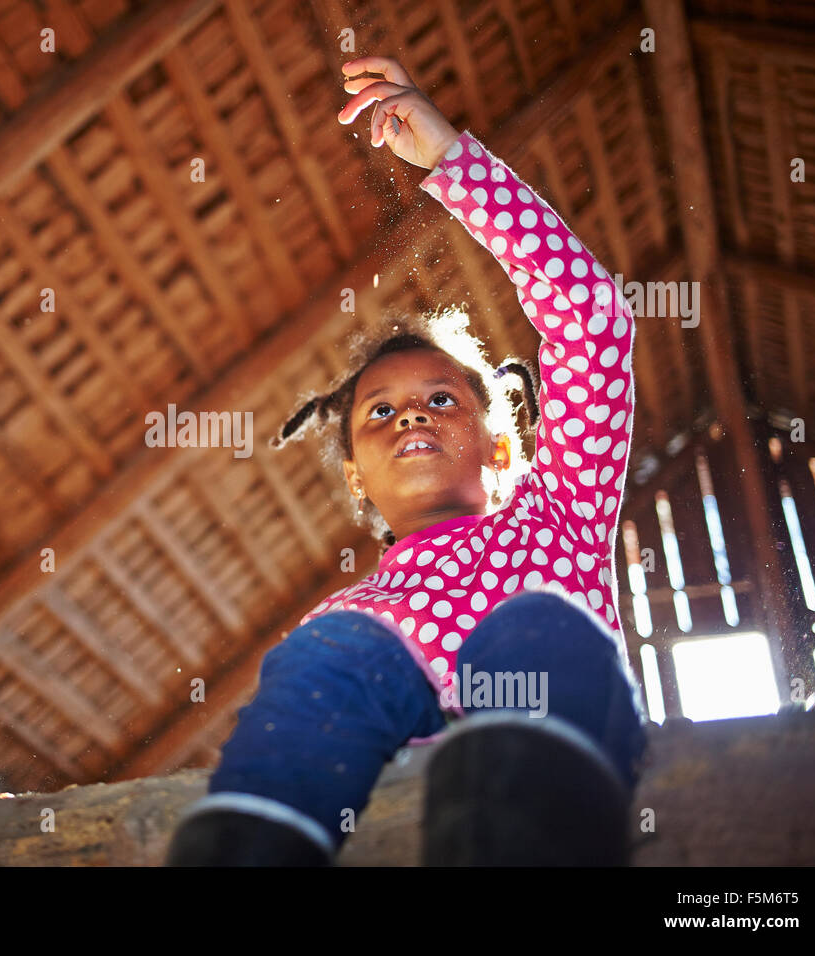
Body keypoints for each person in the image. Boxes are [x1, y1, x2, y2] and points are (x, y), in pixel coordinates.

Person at [165, 56, 649, 866]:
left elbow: (591, 320)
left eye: (441, 400)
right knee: (328, 652)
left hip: (542, 779)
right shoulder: (348, 621)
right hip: (364, 715)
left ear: (502, 444)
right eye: (379, 413)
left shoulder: (560, 514)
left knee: (537, 626)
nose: (410, 417)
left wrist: (456, 165)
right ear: (355, 474)